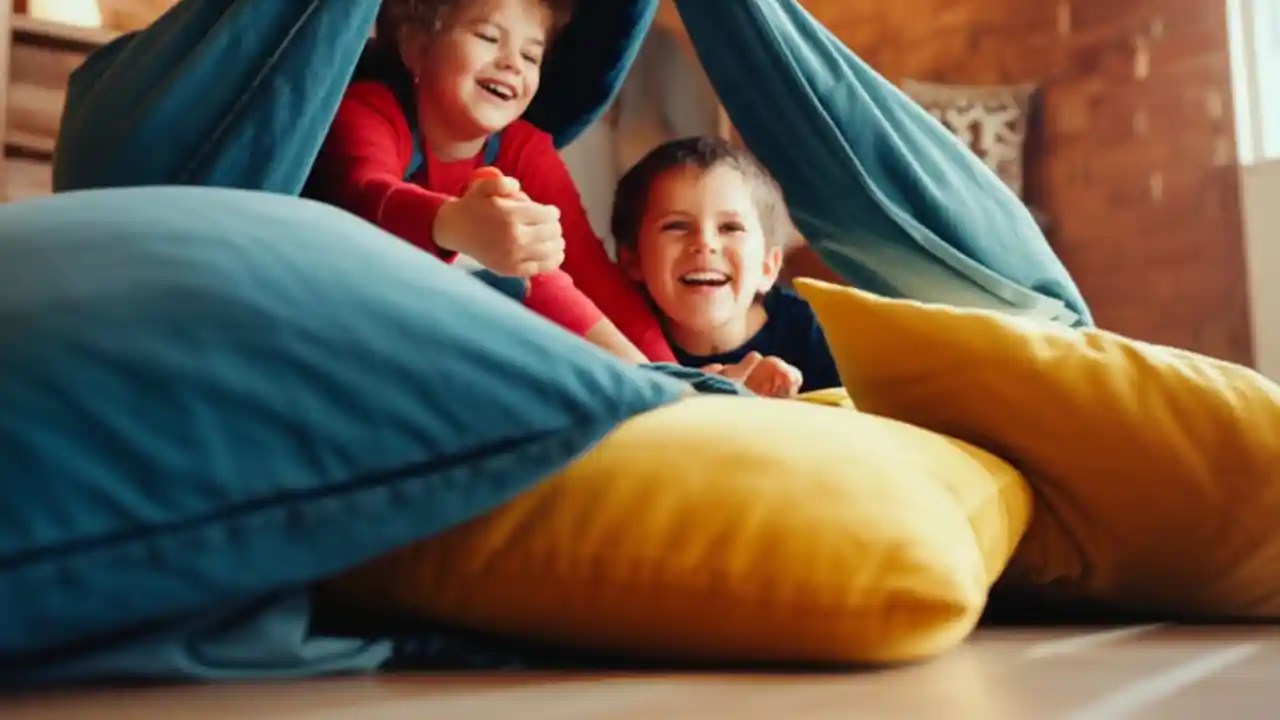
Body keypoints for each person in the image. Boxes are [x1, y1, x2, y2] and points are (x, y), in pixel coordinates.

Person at [305, 0, 674, 363]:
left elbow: (595, 279)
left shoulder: (522, 148)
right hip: (347, 316)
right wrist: (452, 224)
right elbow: (363, 195)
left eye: (531, 57)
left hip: (454, 337)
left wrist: (672, 372)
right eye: (487, 36)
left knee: (533, 263)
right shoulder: (369, 108)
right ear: (415, 47)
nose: (512, 63)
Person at [610, 136, 842, 398]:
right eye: (676, 226)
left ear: (768, 267)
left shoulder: (816, 336)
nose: (704, 243)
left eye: (730, 228)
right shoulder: (616, 343)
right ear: (632, 260)